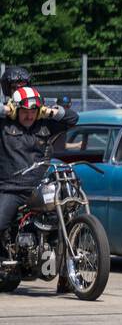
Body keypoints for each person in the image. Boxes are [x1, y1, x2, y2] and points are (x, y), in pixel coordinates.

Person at [1, 85, 79, 238]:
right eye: (24, 111)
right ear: (16, 110)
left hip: (39, 188)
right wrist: (6, 110)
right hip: (12, 188)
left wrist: (48, 111)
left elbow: (73, 118)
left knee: (65, 211)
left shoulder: (45, 125)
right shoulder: (4, 125)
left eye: (33, 112)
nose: (29, 116)